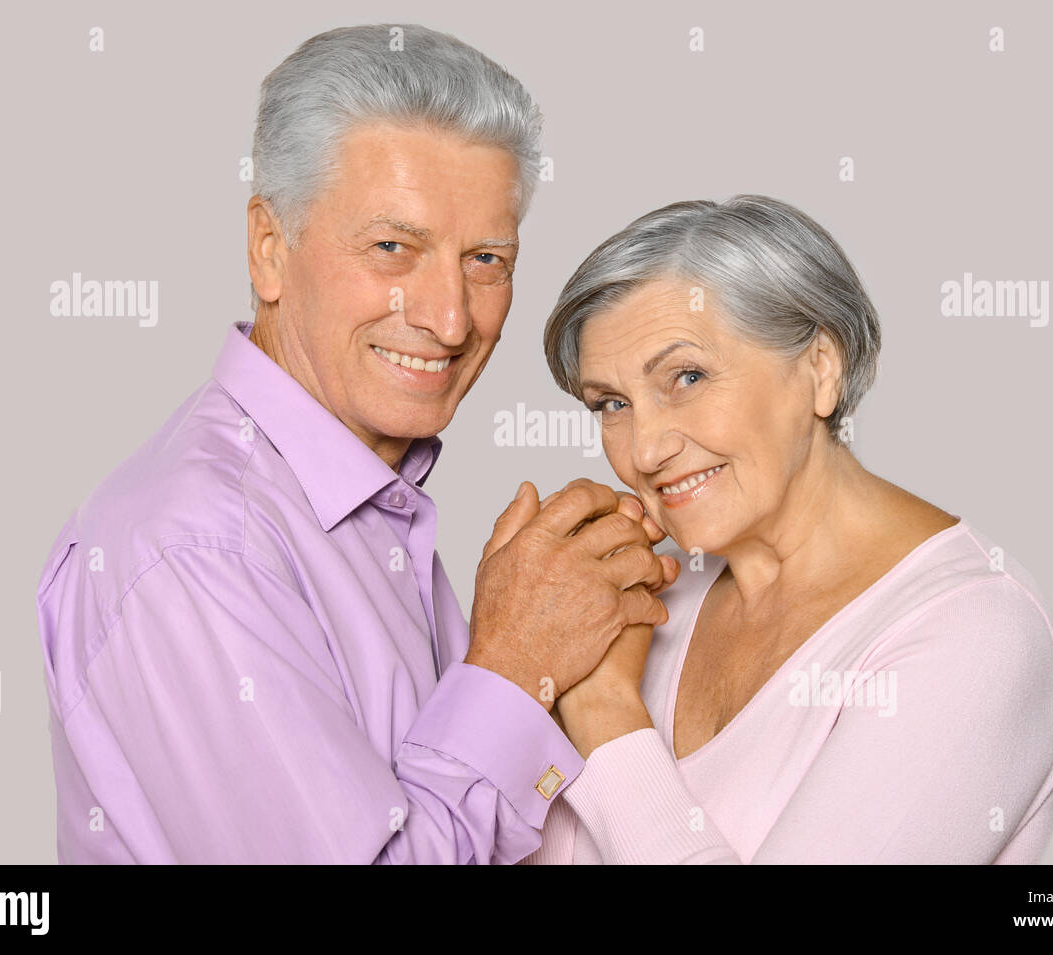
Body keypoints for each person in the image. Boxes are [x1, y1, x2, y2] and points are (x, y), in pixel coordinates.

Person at [34, 24, 676, 864]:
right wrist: (519, 664)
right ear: (270, 249)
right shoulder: (197, 547)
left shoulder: (362, 501)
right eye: (392, 248)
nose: (451, 318)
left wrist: (557, 671)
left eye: (486, 258)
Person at [524, 194, 1053, 864]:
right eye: (611, 403)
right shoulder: (639, 599)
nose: (644, 449)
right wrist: (514, 662)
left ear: (820, 368)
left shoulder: (974, 632)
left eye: (686, 376)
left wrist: (604, 710)